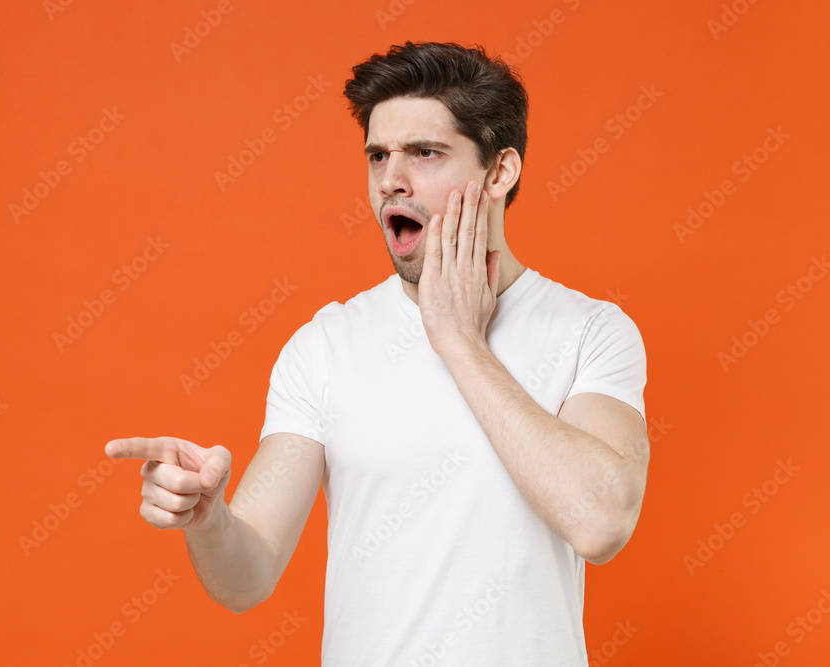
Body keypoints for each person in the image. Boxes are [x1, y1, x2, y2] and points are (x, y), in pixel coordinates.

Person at [105, 40, 649, 666]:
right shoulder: (326, 346)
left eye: (425, 153)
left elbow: (601, 523)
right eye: (378, 156)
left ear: (499, 172)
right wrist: (209, 522)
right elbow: (246, 577)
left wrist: (459, 340)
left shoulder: (591, 331)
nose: (391, 180)